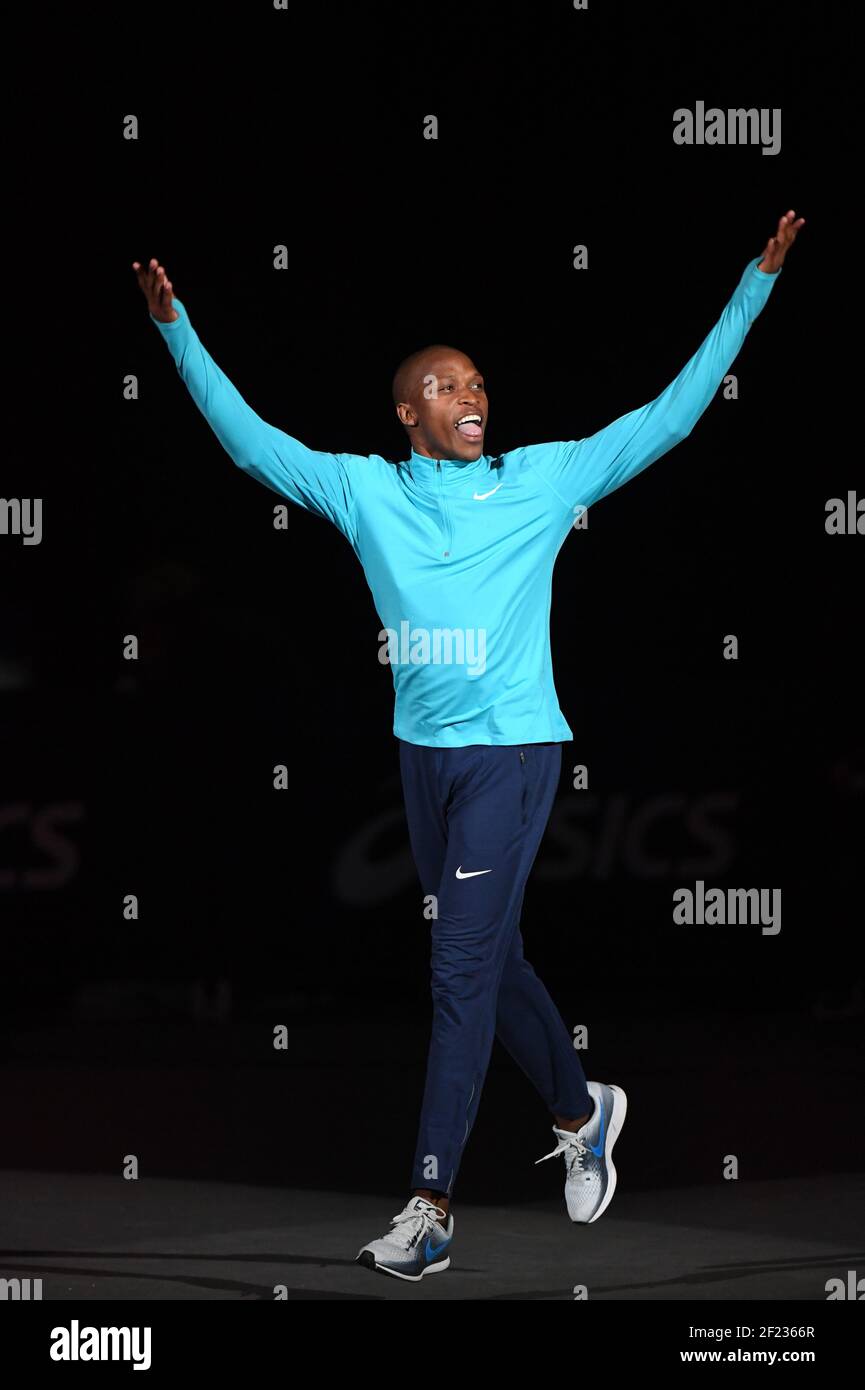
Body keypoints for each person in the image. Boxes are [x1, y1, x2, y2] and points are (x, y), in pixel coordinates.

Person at [132, 209, 804, 1282]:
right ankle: (585, 1111)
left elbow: (669, 418)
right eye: (448, 384)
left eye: (480, 381)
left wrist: (753, 285)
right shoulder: (365, 490)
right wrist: (177, 330)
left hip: (513, 753)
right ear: (408, 412)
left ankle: (430, 1205)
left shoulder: (539, 483)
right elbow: (248, 440)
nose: (472, 394)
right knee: (492, 960)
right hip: (421, 757)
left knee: (455, 970)